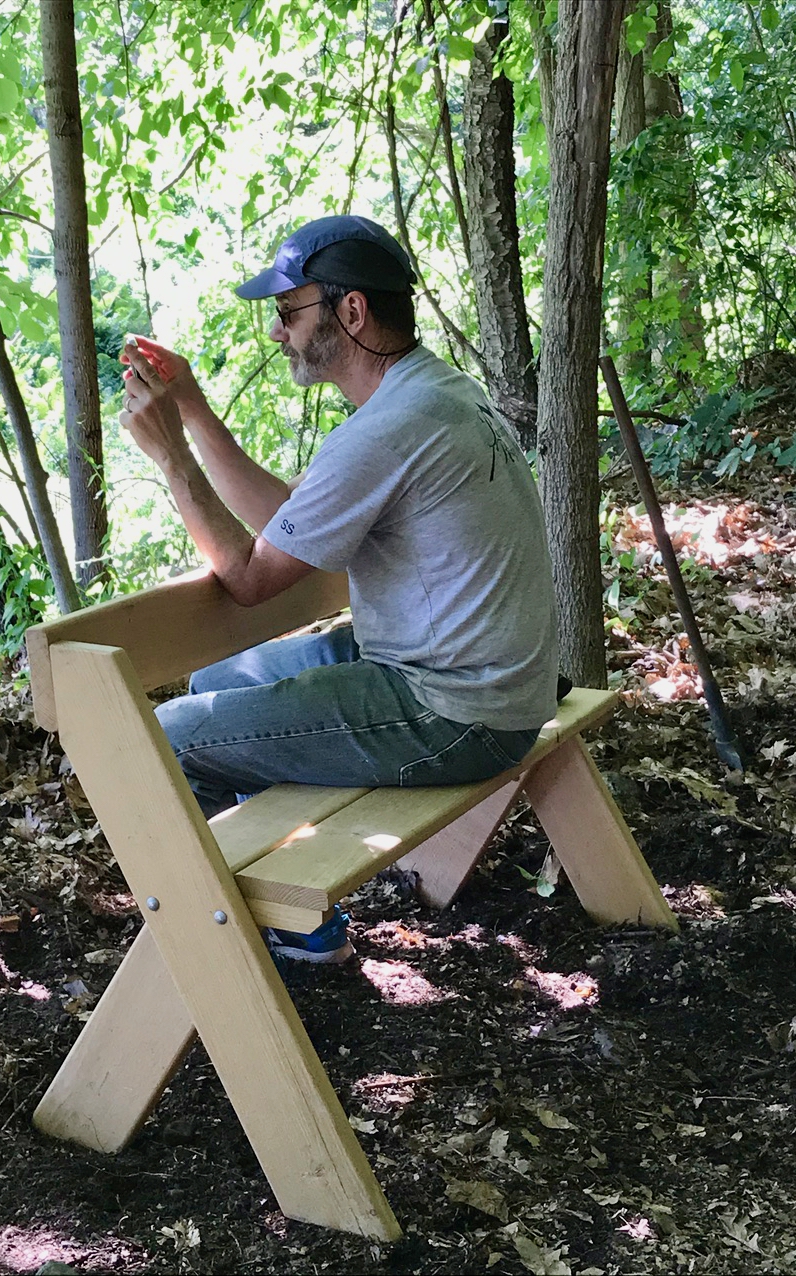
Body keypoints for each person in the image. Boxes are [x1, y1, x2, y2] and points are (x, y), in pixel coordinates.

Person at [118, 214, 558, 962]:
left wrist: (172, 462)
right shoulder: (434, 393)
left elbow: (253, 579)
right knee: (215, 678)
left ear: (350, 312)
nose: (277, 333)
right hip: (485, 682)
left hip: (459, 712)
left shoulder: (391, 428)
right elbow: (290, 527)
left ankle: (270, 931)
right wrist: (190, 408)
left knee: (168, 740)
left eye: (289, 311)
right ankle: (281, 886)